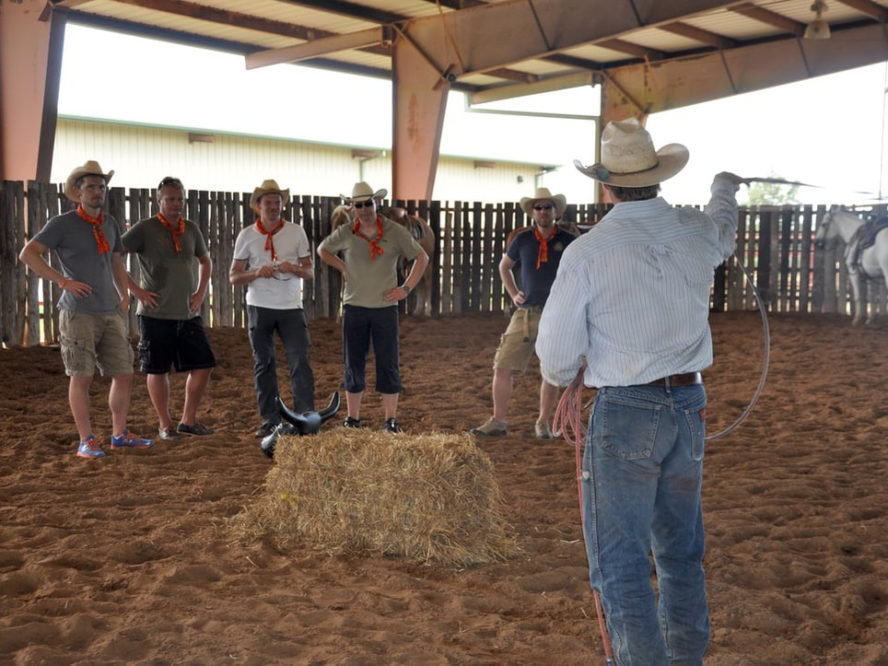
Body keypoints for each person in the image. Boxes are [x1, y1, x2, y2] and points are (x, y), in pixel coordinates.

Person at [536, 117, 743, 665]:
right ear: (656, 176)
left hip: (626, 408)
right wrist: (724, 188)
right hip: (689, 405)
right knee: (680, 551)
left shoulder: (587, 252)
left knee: (620, 561)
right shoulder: (695, 231)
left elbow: (554, 358)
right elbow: (724, 227)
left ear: (606, 184)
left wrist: (577, 368)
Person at [18, 160, 153, 459]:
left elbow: (117, 260)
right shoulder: (62, 224)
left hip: (111, 310)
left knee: (124, 373)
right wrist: (63, 281)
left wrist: (125, 294)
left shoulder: (110, 223)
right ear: (78, 191)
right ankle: (86, 440)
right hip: (78, 312)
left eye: (101, 187)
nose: (97, 192)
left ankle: (119, 434)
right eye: (91, 186)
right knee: (82, 376)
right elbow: (28, 254)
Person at [316, 181, 429, 433]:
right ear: (352, 208)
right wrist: (343, 267)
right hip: (354, 307)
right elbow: (322, 250)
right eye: (359, 205)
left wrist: (406, 289)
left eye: (369, 203)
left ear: (376, 204)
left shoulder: (395, 231)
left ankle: (390, 420)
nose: (365, 209)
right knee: (353, 362)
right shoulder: (345, 232)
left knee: (388, 363)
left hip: (385, 308)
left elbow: (421, 257)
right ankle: (353, 418)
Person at [470, 187, 575, 439]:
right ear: (532, 212)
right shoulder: (522, 239)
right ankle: (498, 421)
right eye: (538, 207)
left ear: (555, 210)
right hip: (527, 312)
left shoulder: (570, 241)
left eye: (547, 207)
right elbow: (504, 266)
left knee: (550, 370)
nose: (542, 211)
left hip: (557, 314)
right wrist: (513, 292)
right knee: (502, 365)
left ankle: (543, 423)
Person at [122, 176, 216, 440]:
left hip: (188, 312)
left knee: (204, 364)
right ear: (159, 201)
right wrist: (136, 291)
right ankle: (165, 424)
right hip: (155, 312)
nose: (177, 204)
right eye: (171, 199)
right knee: (157, 368)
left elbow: (205, 262)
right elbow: (113, 257)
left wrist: (200, 292)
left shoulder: (191, 229)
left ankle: (188, 420)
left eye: (180, 199)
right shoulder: (145, 228)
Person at [230, 179, 316, 438]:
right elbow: (234, 276)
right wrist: (256, 272)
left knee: (299, 359)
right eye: (268, 202)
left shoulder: (296, 231)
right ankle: (270, 419)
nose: (273, 207)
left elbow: (310, 272)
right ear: (258, 206)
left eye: (277, 202)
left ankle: (304, 416)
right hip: (259, 306)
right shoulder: (246, 235)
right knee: (263, 362)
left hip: (291, 306)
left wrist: (295, 269)